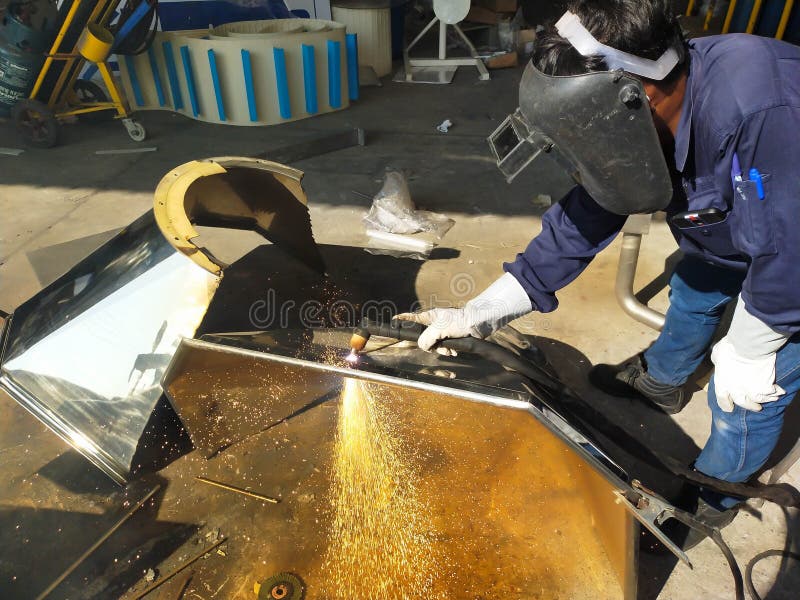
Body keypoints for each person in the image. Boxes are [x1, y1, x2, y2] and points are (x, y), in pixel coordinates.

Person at [397, 0, 800, 539]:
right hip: (734, 228)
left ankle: (715, 493)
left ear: (639, 94)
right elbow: (586, 215)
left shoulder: (766, 112)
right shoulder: (643, 114)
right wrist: (481, 312)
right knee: (698, 282)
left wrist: (752, 349)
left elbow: (789, 256)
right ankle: (663, 380)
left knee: (745, 392)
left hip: (793, 253)